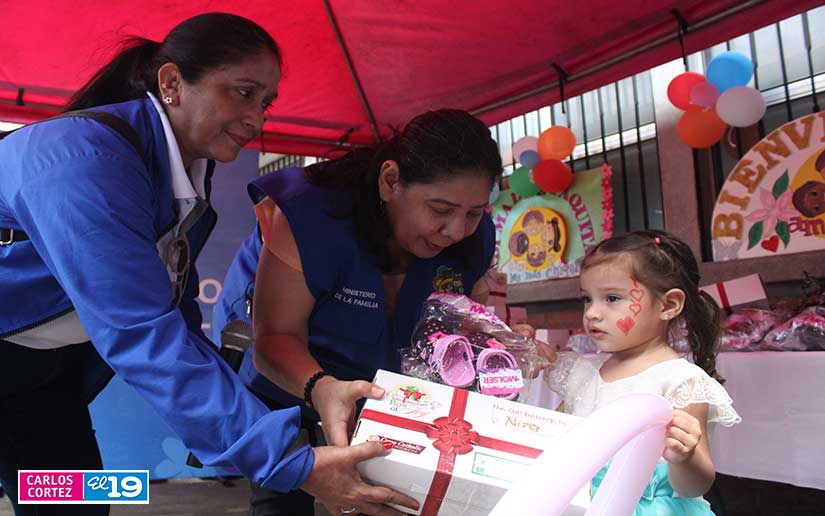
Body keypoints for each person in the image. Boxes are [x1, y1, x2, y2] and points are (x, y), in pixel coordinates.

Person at [0, 13, 416, 516]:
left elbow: (177, 314)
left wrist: (271, 430)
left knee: (75, 505)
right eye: (243, 93)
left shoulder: (187, 173)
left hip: (44, 378)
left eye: (266, 103)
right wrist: (289, 461)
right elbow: (141, 330)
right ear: (172, 83)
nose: (257, 120)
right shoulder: (83, 161)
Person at [211, 109, 503, 515]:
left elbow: (453, 333)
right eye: (440, 209)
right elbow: (276, 337)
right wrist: (320, 387)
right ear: (390, 182)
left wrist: (496, 346)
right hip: (290, 378)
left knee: (391, 502)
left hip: (390, 394)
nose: (455, 230)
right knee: (284, 492)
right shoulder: (311, 214)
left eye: (473, 213)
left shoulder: (474, 239)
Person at [538, 230, 741, 515]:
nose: (592, 313)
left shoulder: (679, 381)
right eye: (588, 299)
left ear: (669, 305)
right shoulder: (583, 375)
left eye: (611, 298)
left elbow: (694, 486)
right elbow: (554, 439)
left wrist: (685, 458)